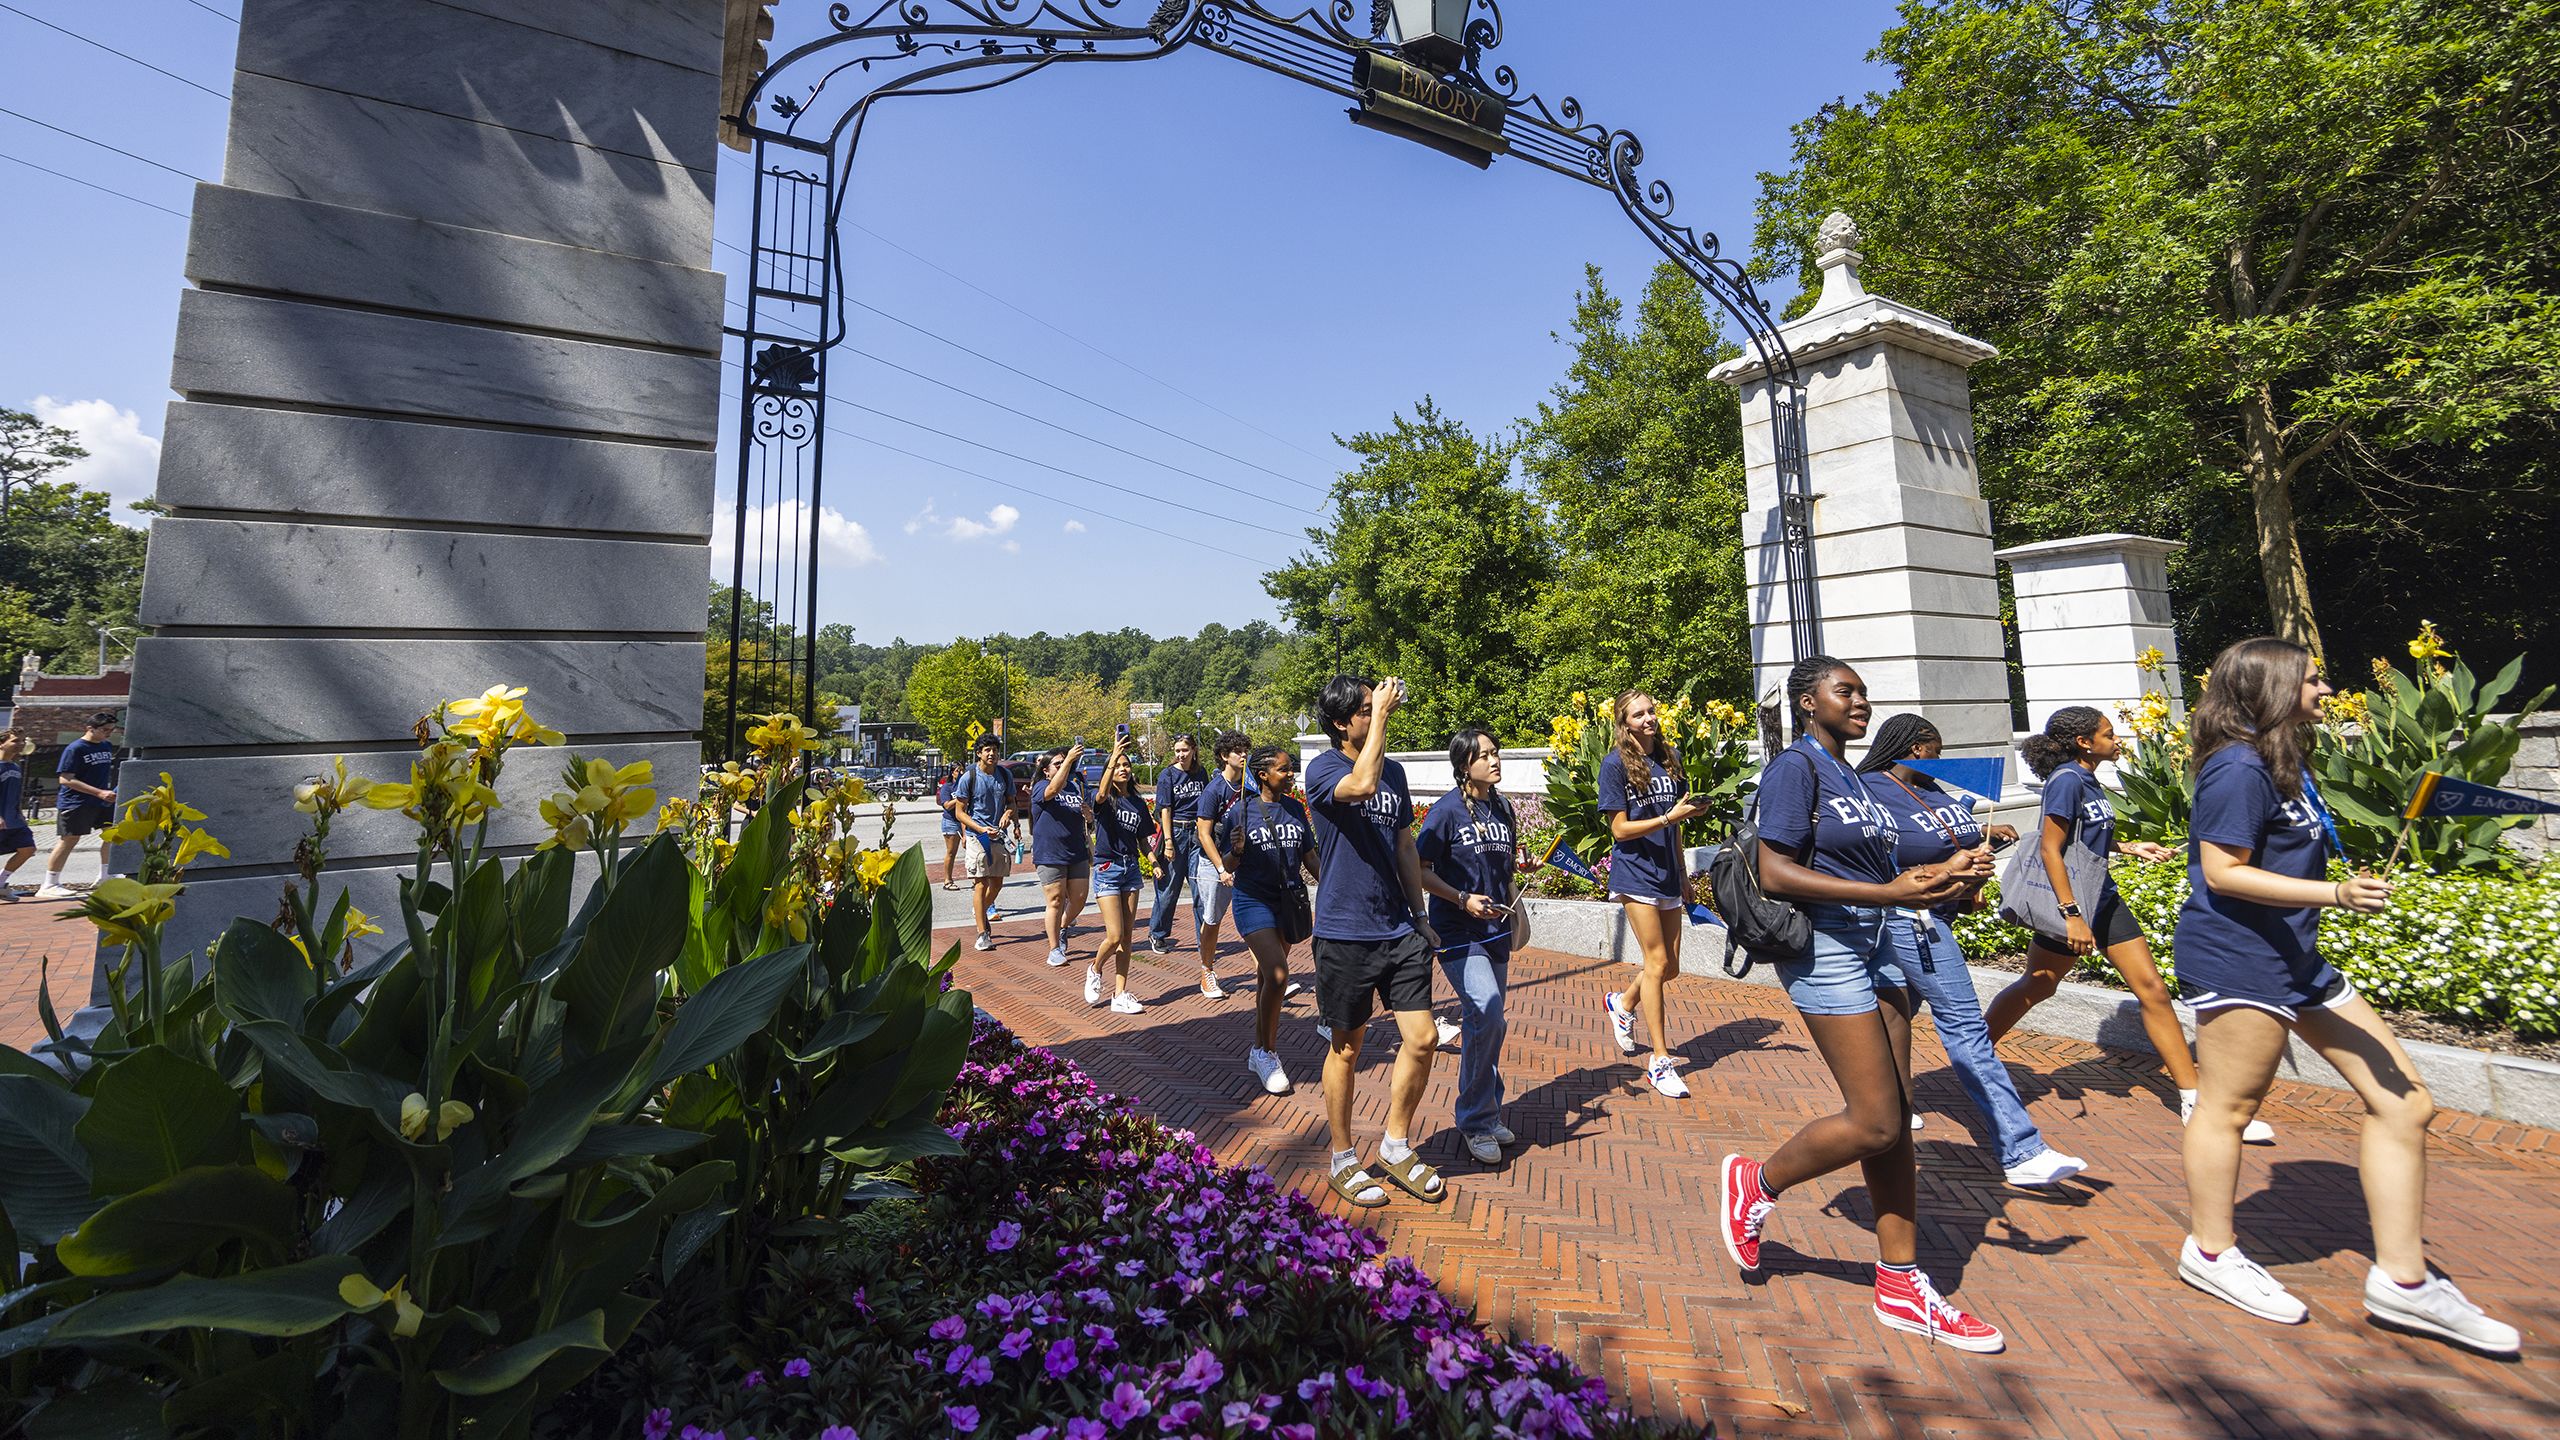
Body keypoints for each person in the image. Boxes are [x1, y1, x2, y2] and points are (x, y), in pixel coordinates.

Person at [2172, 638, 2516, 1353]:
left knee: (2405, 1102)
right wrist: (2336, 893)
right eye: (2313, 678)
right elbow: (2223, 872)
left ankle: (2403, 1284)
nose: (2326, 688)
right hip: (2239, 959)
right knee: (2228, 1109)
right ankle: (2209, 1252)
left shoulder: (2283, 759)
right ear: (2272, 686)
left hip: (2297, 959)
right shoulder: (2237, 766)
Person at [1718, 656, 2005, 1354]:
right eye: (1845, 691)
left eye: (1864, 693)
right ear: (1807, 701)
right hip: (1827, 948)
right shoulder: (1796, 767)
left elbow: (1878, 868)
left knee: (1896, 1119)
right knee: (1874, 1120)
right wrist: (1889, 893)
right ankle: (1756, 1182)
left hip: (1880, 940)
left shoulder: (1851, 775)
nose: (1861, 702)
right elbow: (1774, 870)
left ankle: (1900, 1282)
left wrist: (1946, 875)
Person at [1985, 706, 2274, 1143]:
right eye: (2108, 734)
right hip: (2074, 903)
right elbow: (2050, 849)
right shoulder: (2066, 780)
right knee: (2039, 984)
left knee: (2152, 990)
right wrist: (2071, 915)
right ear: (2085, 742)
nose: (2116, 739)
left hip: (2103, 899)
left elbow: (2086, 836)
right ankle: (1975, 1053)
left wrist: (2130, 847)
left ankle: (2196, 1101)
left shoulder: (2087, 778)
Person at [1856, 714, 2087, 1187]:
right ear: (1916, 748)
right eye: (1936, 750)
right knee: (1964, 1025)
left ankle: (1883, 1106)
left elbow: (1950, 839)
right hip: (1909, 921)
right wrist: (1948, 868)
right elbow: (1879, 862)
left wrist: (1984, 847)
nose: (1940, 758)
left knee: (1896, 1015)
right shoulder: (1871, 791)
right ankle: (2021, 1150)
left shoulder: (1932, 789)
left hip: (1941, 915)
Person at [1306, 675, 1455, 1208]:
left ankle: (1395, 1146)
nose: (1376, 712)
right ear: (1340, 722)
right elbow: (1361, 785)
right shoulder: (1323, 769)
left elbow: (1404, 846)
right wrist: (1384, 719)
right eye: (1366, 709)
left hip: (1398, 928)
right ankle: (1343, 1159)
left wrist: (1420, 914)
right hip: (1345, 931)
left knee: (1423, 1038)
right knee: (1347, 1048)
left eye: (1376, 706)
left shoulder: (1394, 771)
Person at [1417, 728, 1523, 1164]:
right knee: (1486, 1009)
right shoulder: (1444, 812)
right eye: (1485, 755)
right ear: (1464, 765)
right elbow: (1419, 869)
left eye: (1496, 753)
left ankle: (1487, 1108)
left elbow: (1502, 866)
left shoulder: (1502, 807)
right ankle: (1476, 1121)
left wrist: (1521, 868)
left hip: (1496, 930)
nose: (1495, 761)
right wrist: (1461, 898)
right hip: (1457, 931)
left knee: (1489, 1023)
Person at [1597, 691, 1710, 1098]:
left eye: (1651, 711)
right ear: (1624, 723)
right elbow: (1619, 829)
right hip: (1634, 874)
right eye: (1638, 714)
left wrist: (1682, 874)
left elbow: (1675, 826)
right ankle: (1660, 1062)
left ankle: (1623, 1003)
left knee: (1670, 967)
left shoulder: (1670, 758)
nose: (1648, 719)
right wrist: (1667, 816)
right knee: (1657, 962)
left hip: (1666, 874)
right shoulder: (1614, 765)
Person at [1199, 743, 1321, 1093]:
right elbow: (1229, 863)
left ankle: (1258, 1049)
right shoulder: (1240, 812)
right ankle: (1267, 1052)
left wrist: (1332, 886)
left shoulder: (1295, 809)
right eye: (1284, 769)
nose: (1291, 774)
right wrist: (1235, 852)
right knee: (1279, 975)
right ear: (1263, 775)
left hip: (1288, 900)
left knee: (1267, 978)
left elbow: (1309, 857)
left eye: (1291, 768)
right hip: (1253, 900)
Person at [1085, 735, 1154, 1015]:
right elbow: (1101, 794)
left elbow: (1142, 840)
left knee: (1127, 937)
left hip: (1131, 870)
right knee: (1114, 936)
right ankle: (1095, 968)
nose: (1123, 769)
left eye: (1127, 765)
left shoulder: (1137, 802)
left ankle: (1120, 994)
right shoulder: (1103, 800)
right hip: (1107, 869)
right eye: (1118, 766)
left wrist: (1154, 861)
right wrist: (1113, 754)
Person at [1187, 730, 1252, 1000]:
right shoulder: (1214, 790)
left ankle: (1269, 974)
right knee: (1212, 920)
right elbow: (1203, 834)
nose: (1243, 755)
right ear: (1225, 756)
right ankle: (1207, 972)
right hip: (1213, 864)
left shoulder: (1249, 786)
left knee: (1253, 918)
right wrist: (1221, 869)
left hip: (1242, 861)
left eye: (1245, 750)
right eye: (1237, 751)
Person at [36, 710, 118, 899]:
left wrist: (104, 793)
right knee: (70, 839)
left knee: (113, 834)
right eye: (105, 730)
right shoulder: (76, 748)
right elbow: (65, 779)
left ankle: (105, 876)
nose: (108, 733)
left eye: (111, 730)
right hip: (76, 801)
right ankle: (49, 884)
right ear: (90, 728)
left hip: (101, 801)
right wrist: (98, 792)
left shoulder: (106, 745)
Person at [948, 735, 1015, 951]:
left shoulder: (1004, 775)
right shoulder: (969, 777)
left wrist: (1008, 814)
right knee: (981, 883)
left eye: (994, 749)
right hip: (977, 836)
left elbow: (1012, 803)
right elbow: (959, 812)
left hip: (998, 835)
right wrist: (978, 829)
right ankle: (982, 933)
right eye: (987, 750)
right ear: (979, 753)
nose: (992, 753)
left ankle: (980, 911)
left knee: (997, 883)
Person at [1030, 745, 1094, 971]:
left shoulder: (1074, 787)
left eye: (1064, 763)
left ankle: (1063, 927)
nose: (1062, 766)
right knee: (1056, 900)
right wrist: (1068, 761)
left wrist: (1088, 816)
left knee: (1079, 898)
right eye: (1057, 764)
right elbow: (1052, 790)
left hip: (1076, 851)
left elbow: (1087, 818)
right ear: (1046, 770)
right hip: (1050, 853)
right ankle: (1054, 948)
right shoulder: (1041, 786)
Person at [1148, 733, 1210, 957]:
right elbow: (1165, 809)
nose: (1181, 755)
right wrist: (1168, 842)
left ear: (1193, 750)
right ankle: (1158, 933)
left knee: (1199, 890)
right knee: (1169, 889)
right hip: (1175, 832)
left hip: (1197, 834)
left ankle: (1204, 940)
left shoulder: (1201, 773)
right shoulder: (1168, 775)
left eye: (1184, 750)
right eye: (1177, 751)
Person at [1, 731, 36, 899]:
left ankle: (0, 883)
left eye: (22, 741)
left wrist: (20, 813)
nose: (21, 744)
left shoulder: (15, 767)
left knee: (28, 849)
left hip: (14, 820)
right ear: (1, 744)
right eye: (15, 741)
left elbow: (15, 794)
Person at [936, 763, 965, 891]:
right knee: (952, 852)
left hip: (965, 820)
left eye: (962, 771)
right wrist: (959, 798)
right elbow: (947, 805)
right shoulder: (947, 787)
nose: (961, 773)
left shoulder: (965, 785)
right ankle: (948, 880)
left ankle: (976, 879)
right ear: (952, 773)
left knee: (971, 850)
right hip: (951, 821)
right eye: (958, 771)